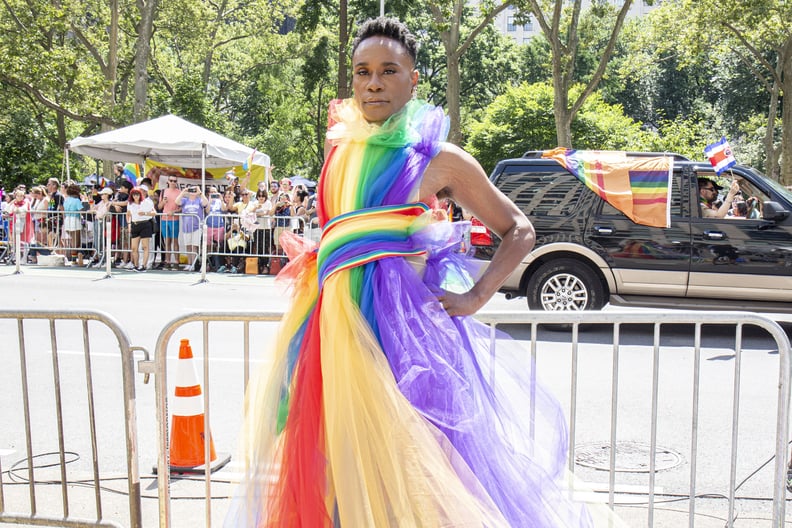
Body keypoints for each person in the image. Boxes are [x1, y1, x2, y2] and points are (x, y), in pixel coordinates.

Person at [226, 17, 603, 528]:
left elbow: (518, 229)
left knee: (410, 465)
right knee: (335, 463)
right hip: (329, 328)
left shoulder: (437, 158)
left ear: (413, 79)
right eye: (362, 72)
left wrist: (473, 298)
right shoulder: (339, 148)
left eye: (388, 70)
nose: (373, 83)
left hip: (402, 338)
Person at [176, 185, 208, 270]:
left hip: (197, 226)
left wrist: (200, 193)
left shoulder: (199, 200)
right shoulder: (185, 200)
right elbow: (177, 202)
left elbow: (205, 203)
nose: (192, 192)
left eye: (194, 190)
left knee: (194, 246)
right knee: (188, 245)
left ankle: (193, 264)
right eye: (191, 190)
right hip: (186, 227)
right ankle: (189, 264)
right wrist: (183, 192)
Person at [126, 187, 155, 271]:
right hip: (135, 224)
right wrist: (129, 224)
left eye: (137, 194)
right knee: (134, 247)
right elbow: (128, 214)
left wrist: (145, 213)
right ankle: (136, 265)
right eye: (134, 194)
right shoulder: (130, 204)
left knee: (145, 246)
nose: (136, 196)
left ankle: (144, 265)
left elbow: (154, 213)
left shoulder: (147, 202)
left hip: (145, 224)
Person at [159, 175, 182, 270]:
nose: (173, 182)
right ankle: (167, 261)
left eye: (174, 181)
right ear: (168, 181)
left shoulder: (179, 192)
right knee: (167, 241)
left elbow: (182, 208)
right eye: (171, 180)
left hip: (174, 219)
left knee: (175, 240)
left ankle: (176, 262)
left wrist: (174, 212)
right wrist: (163, 202)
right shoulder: (163, 191)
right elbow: (159, 207)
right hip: (164, 218)